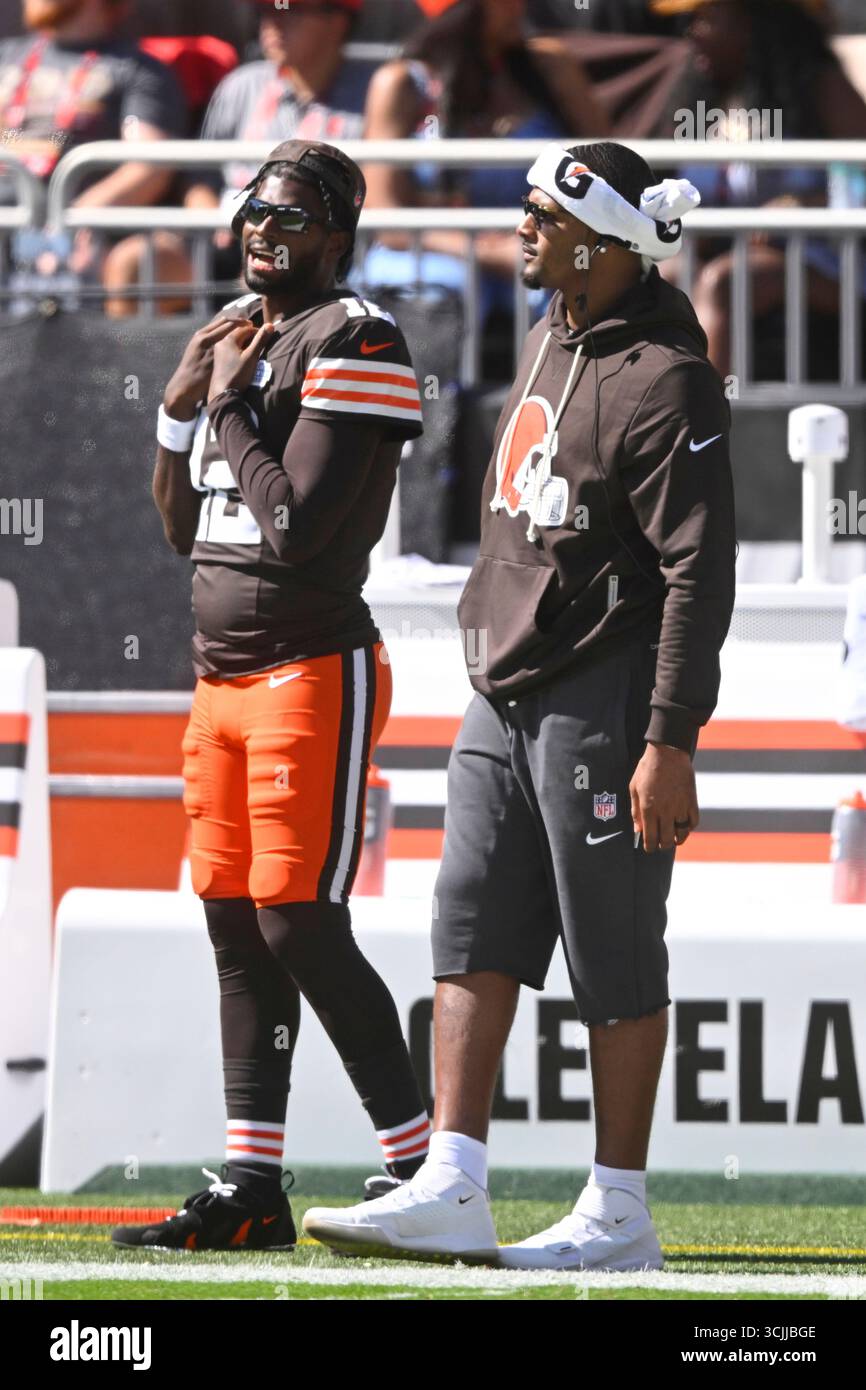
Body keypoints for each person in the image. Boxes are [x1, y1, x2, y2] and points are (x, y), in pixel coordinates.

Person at [301, 140, 736, 1269]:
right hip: (502, 688)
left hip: (604, 691)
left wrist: (668, 738)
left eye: (544, 213)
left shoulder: (667, 376)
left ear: (604, 239)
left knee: (611, 950)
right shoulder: (547, 333)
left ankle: (618, 1206)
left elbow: (698, 571)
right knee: (468, 928)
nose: (521, 227)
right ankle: (452, 1176)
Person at [111, 139, 429, 1252]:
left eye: (288, 214)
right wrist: (176, 407)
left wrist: (232, 403)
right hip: (216, 680)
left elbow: (296, 528)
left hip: (309, 666)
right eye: (252, 208)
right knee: (236, 926)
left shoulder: (358, 337)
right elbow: (178, 524)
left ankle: (415, 1163)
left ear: (336, 234)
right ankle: (252, 1182)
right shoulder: (238, 336)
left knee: (299, 919)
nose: (261, 228)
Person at [361, 0, 610, 348]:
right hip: (434, 256)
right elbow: (386, 217)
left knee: (582, 286)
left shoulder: (548, 67)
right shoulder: (403, 83)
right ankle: (439, 401)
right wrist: (487, 251)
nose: (518, 7)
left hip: (543, 246)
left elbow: (609, 169)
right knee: (438, 290)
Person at [103, 0, 370, 315]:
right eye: (266, 12)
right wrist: (222, 225)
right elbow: (199, 179)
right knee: (133, 262)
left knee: (275, 264)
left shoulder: (373, 92)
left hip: (310, 243)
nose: (272, 24)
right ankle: (119, 364)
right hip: (226, 238)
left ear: (337, 20)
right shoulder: (242, 84)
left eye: (288, 11)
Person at [650, 0, 866, 376]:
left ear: (754, 22)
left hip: (826, 262)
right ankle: (653, 415)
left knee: (727, 281)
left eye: (706, 19)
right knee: (661, 274)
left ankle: (705, 426)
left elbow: (860, 182)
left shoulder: (821, 87)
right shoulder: (702, 98)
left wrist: (802, 204)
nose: (692, 34)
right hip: (730, 251)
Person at [0, 0, 184, 282]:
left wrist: (72, 220)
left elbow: (148, 167)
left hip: (65, 251)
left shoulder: (137, 71)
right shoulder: (6, 56)